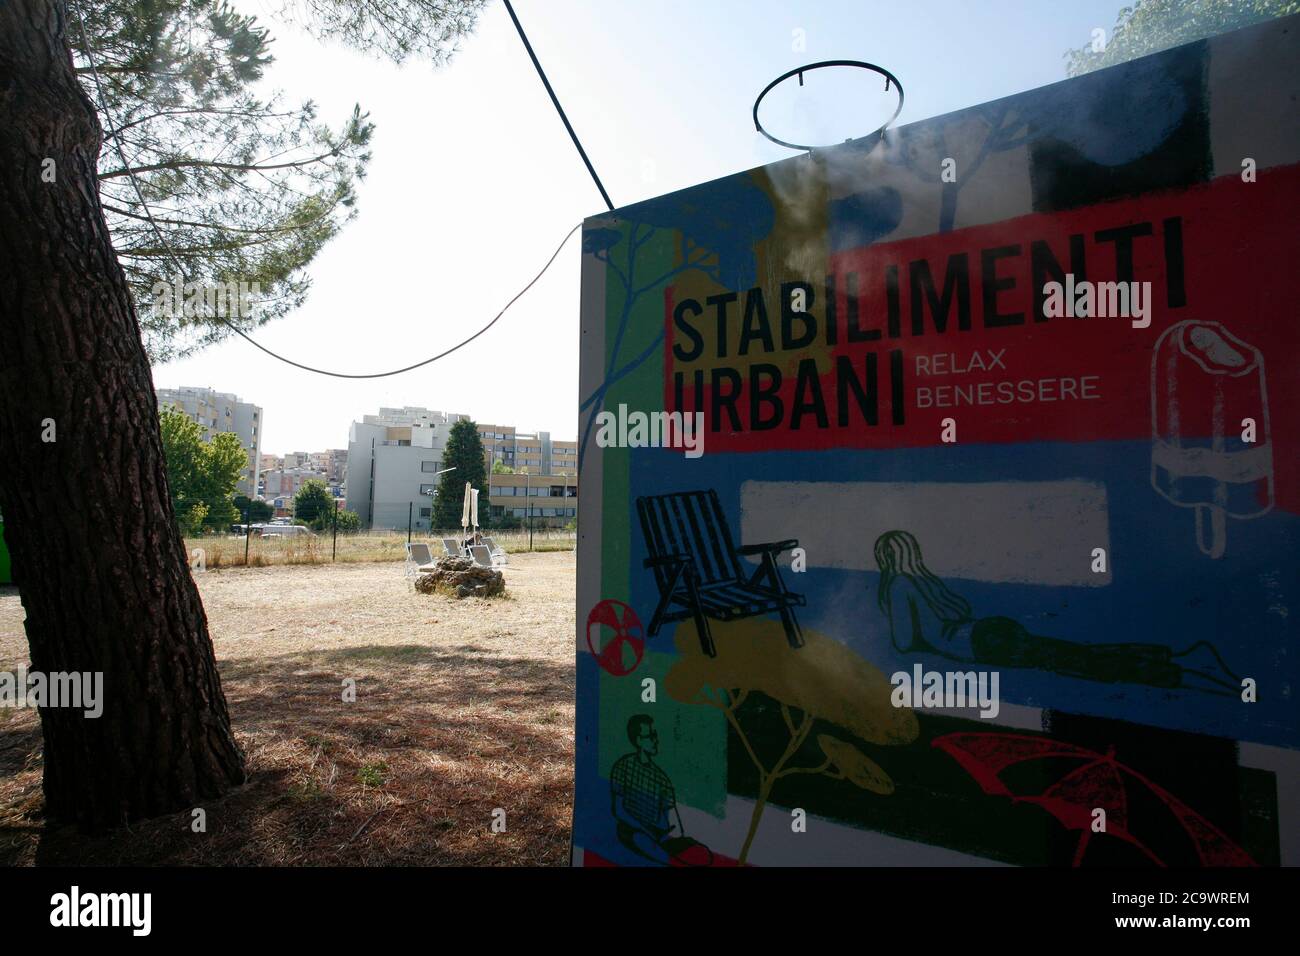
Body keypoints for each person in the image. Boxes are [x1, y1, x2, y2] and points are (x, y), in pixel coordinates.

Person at [873, 530, 1240, 695]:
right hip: (989, 630)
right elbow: (961, 611)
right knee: (1074, 653)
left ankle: (1173, 674)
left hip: (982, 645)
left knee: (1076, 662)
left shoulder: (898, 586)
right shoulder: (924, 581)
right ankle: (1173, 657)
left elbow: (905, 644)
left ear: (885, 557)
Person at [609, 715, 712, 865]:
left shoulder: (661, 779)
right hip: (632, 831)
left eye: (655, 735)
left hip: (657, 837)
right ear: (638, 740)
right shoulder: (623, 767)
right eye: (650, 736)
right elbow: (619, 811)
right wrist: (647, 831)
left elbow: (672, 821)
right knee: (642, 840)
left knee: (701, 853)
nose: (656, 740)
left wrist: (670, 835)